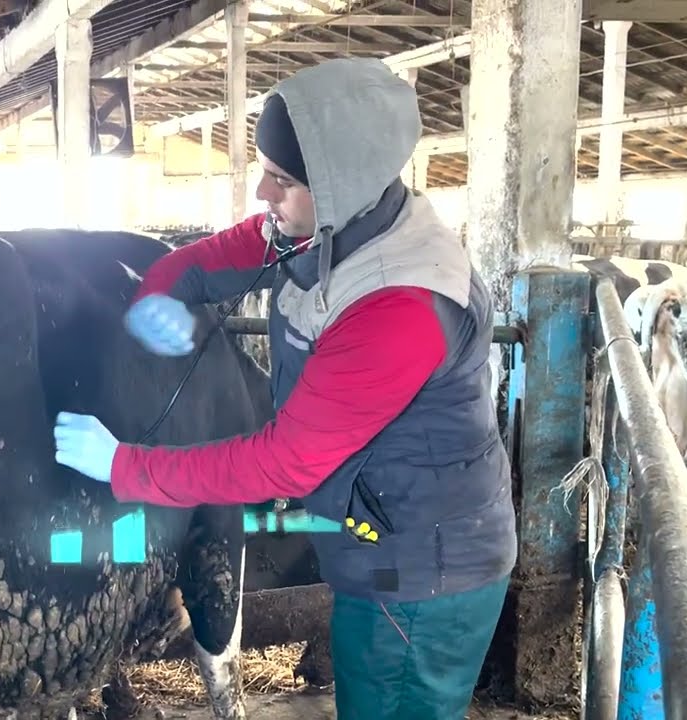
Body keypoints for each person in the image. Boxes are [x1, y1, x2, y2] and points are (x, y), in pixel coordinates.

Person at [53, 57, 517, 719]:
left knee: (388, 700)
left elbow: (284, 462)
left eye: (284, 180)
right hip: (378, 537)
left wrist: (124, 466)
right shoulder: (325, 229)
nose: (262, 193)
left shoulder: (401, 307)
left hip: (421, 575)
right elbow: (212, 257)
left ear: (341, 184)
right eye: (264, 169)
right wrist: (159, 294)